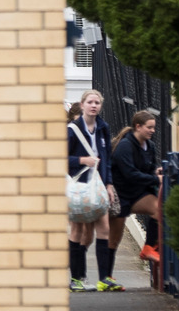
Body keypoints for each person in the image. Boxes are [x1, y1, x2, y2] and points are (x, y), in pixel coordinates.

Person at [67, 89, 117, 291]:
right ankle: (77, 279)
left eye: (97, 102)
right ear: (83, 104)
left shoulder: (103, 128)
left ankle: (104, 278)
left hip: (98, 185)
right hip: (79, 186)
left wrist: (109, 184)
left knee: (104, 227)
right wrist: (81, 160)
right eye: (90, 102)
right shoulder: (72, 130)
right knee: (77, 229)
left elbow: (107, 159)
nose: (94, 105)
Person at [109, 109, 164, 266]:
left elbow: (149, 167)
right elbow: (130, 174)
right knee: (114, 239)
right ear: (138, 126)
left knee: (158, 209)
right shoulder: (124, 146)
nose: (152, 131)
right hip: (121, 196)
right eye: (149, 127)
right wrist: (155, 178)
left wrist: (156, 171)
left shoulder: (150, 146)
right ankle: (106, 277)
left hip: (138, 194)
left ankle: (148, 247)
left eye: (153, 127)